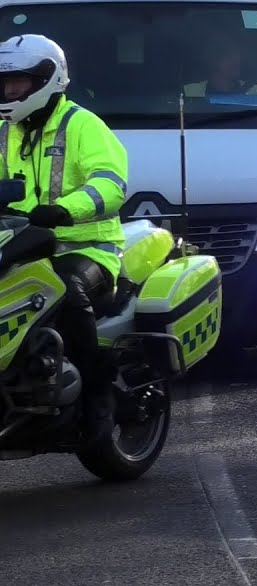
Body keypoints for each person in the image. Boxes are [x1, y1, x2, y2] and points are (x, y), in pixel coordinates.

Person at [0, 34, 128, 443]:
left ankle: (98, 391)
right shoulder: (5, 131)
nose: (9, 91)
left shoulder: (83, 124)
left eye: (17, 83)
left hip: (87, 248)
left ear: (47, 80)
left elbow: (111, 183)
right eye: (4, 83)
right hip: (20, 243)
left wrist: (64, 210)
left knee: (63, 287)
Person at [184, 36, 257, 98]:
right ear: (213, 60)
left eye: (238, 55)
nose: (237, 60)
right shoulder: (190, 92)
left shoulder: (256, 91)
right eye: (229, 55)